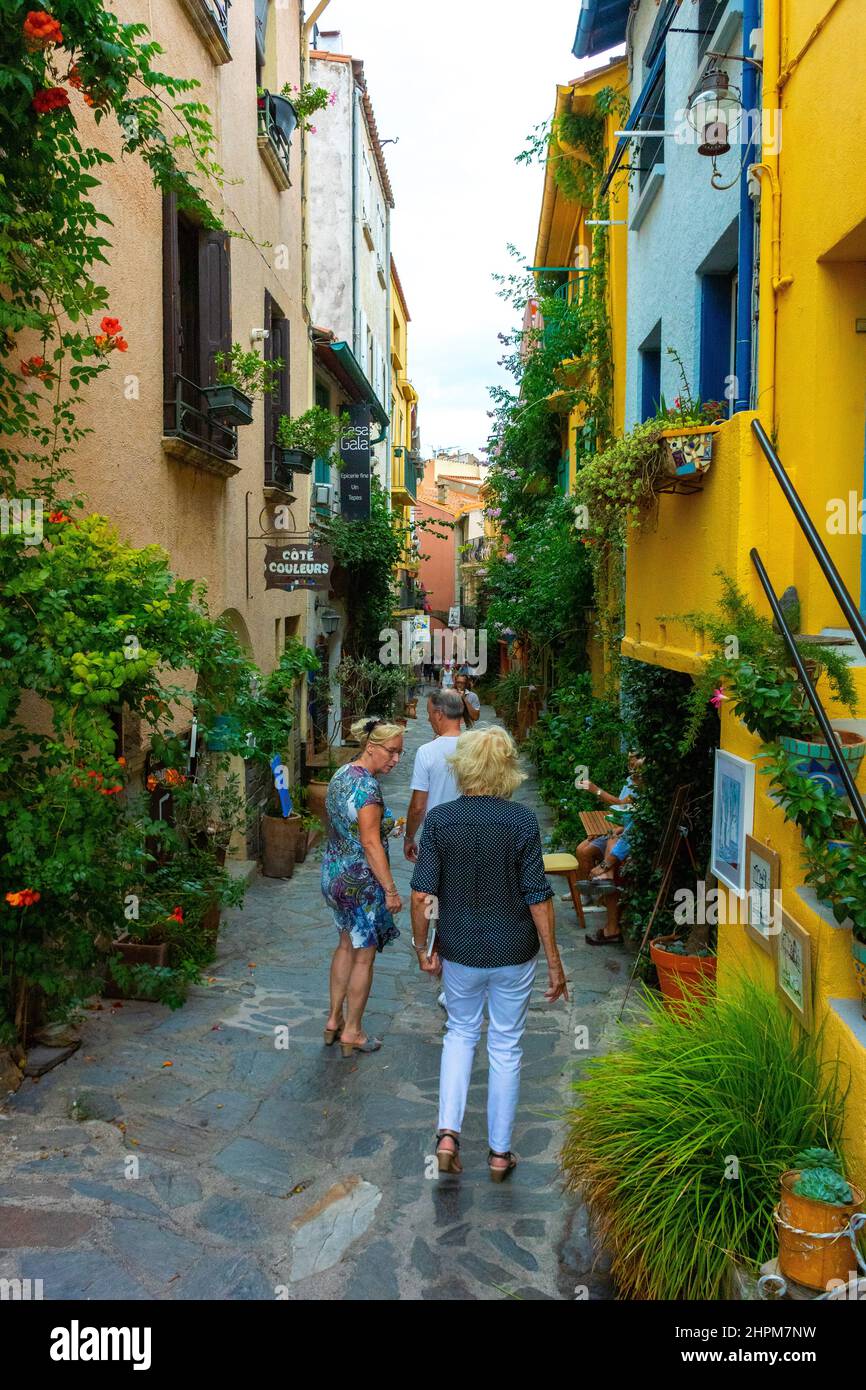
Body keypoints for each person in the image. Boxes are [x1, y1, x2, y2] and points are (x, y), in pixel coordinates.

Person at [410, 725, 569, 1180]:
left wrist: (423, 947)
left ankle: (447, 1136)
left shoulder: (440, 821)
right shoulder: (521, 822)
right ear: (506, 770)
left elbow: (422, 896)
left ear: (463, 768)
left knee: (459, 1033)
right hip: (514, 949)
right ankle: (500, 1154)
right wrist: (555, 963)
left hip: (459, 946)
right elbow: (538, 896)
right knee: (505, 1044)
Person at [321, 718, 404, 1056]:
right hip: (361, 884)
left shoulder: (342, 775)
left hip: (334, 875)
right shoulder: (368, 787)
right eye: (392, 752)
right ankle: (352, 1031)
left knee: (345, 946)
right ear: (371, 746)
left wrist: (384, 825)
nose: (396, 760)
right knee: (363, 957)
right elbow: (369, 844)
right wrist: (391, 889)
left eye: (399, 753)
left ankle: (332, 1020)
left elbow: (347, 823)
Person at [576, 753, 644, 946]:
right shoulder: (631, 781)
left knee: (611, 854)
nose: (631, 762)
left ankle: (604, 881)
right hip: (618, 829)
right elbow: (625, 816)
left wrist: (595, 790)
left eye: (636, 758)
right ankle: (590, 892)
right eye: (630, 757)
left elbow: (625, 809)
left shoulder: (643, 791)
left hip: (623, 838)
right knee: (582, 849)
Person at [403, 688, 464, 863]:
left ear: (438, 714)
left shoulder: (427, 751)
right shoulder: (475, 747)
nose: (429, 718)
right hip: (471, 835)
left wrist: (409, 837)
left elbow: (418, 807)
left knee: (430, 889)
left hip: (437, 837)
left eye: (429, 713)